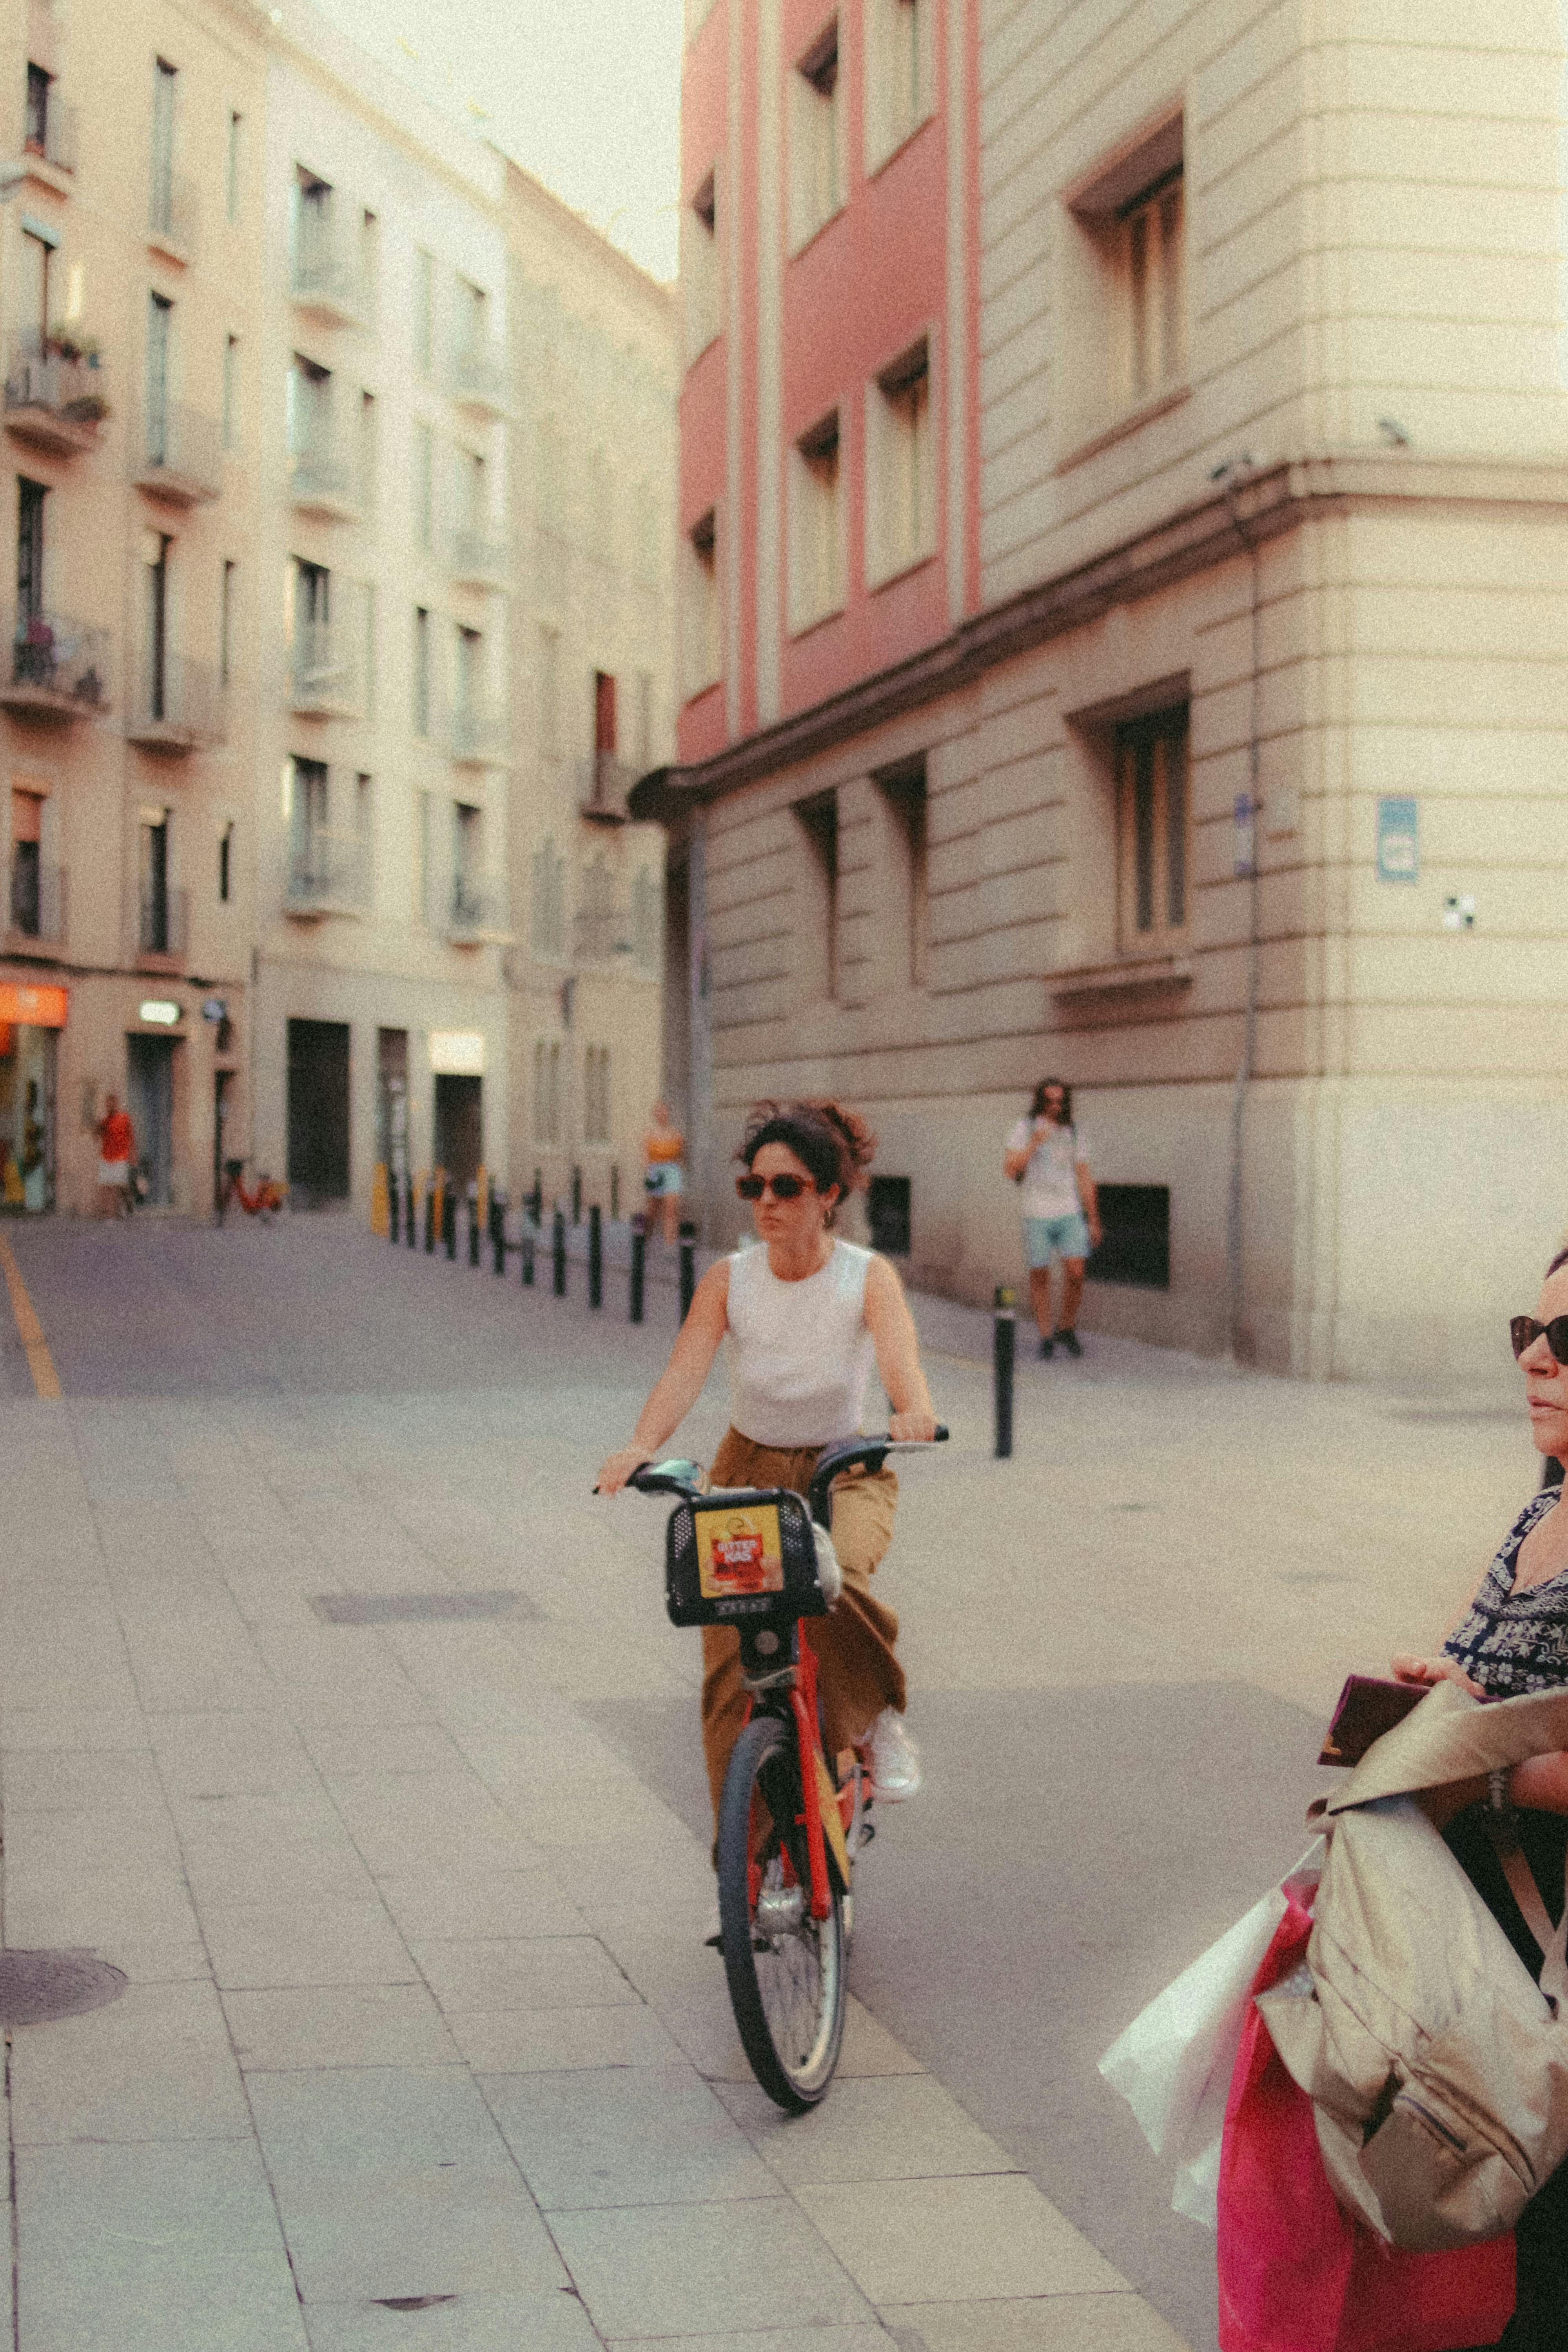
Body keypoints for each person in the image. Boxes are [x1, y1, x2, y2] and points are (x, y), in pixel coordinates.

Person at [598, 1098, 939, 1930]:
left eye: (785, 1186)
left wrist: (912, 1414)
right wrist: (639, 1445)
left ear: (828, 1193)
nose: (766, 1202)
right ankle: (747, 1882)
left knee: (836, 1578)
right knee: (731, 1679)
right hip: (745, 1472)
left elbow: (902, 1370)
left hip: (841, 1470)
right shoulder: (729, 1279)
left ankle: (876, 1714)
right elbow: (685, 1371)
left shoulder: (866, 1278)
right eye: (753, 1185)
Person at [1388, 1242, 1568, 2347]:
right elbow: (1480, 1679)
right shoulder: (1544, 1505)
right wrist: (1432, 1702)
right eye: (1530, 1333)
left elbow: (1502, 1742)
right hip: (1499, 1967)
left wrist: (1486, 1759)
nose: (1537, 1361)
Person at [1002, 1078, 1102, 1358]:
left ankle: (1066, 1327)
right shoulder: (1025, 1129)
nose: (1055, 1107)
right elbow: (1010, 1170)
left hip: (1069, 1212)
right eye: (1049, 1101)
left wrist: (1094, 1219)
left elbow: (1084, 1177)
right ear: (1040, 1102)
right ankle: (1046, 1335)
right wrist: (1034, 1143)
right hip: (1036, 1213)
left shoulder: (1074, 1132)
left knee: (1076, 1273)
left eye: (1060, 1101)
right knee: (1040, 1274)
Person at [642, 1099, 686, 1246]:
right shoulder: (650, 1134)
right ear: (655, 1114)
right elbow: (645, 1157)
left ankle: (670, 1244)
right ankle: (645, 1237)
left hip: (672, 1170)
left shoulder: (676, 1134)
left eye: (665, 1111)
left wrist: (678, 1172)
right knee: (653, 1210)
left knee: (671, 1208)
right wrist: (648, 1175)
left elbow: (681, 1155)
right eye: (659, 1112)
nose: (662, 1114)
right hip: (655, 1170)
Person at [95, 1092, 134, 1218]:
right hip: (106, 1156)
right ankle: (109, 1212)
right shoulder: (105, 1121)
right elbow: (98, 1136)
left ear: (116, 1104)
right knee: (106, 1185)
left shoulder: (124, 1118)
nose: (109, 1106)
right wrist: (98, 1127)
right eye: (107, 1104)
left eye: (112, 1103)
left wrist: (133, 1155)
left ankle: (128, 1202)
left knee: (121, 1185)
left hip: (121, 1156)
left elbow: (132, 1136)